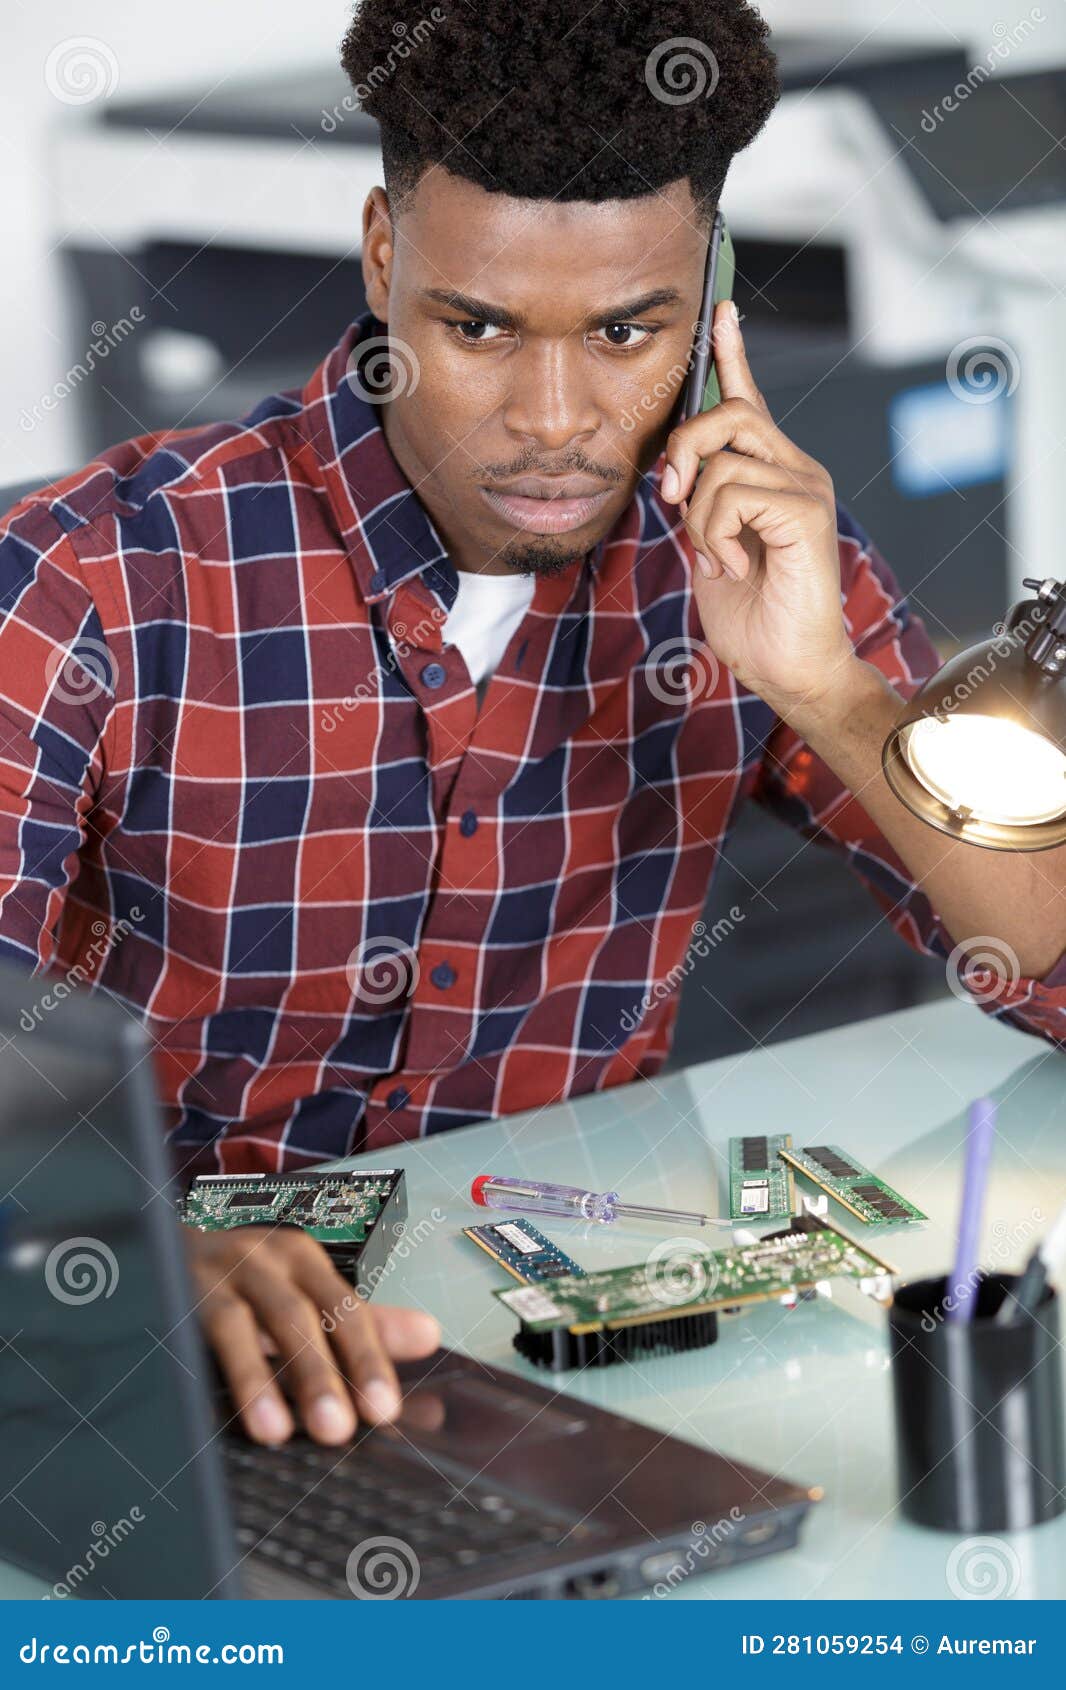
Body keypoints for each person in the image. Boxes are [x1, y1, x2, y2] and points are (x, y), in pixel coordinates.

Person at [2, 1, 1064, 1446]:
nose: (554, 418)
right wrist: (121, 1254)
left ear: (711, 300)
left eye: (630, 329)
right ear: (386, 258)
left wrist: (823, 681)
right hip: (150, 1381)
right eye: (479, 325)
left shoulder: (745, 557)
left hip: (560, 1376)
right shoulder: (87, 580)